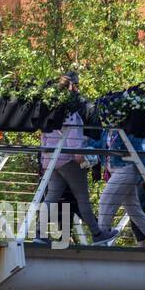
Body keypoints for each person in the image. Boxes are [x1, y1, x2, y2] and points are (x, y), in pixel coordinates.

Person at [39, 73, 114, 245]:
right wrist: (80, 156)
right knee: (82, 198)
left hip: (52, 160)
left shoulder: (49, 111)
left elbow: (43, 139)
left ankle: (39, 233)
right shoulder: (70, 113)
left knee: (51, 197)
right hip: (69, 161)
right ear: (69, 88)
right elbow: (74, 137)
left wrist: (44, 161)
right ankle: (97, 234)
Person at [97, 129, 145, 248]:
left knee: (105, 200)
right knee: (134, 209)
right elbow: (102, 146)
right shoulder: (107, 130)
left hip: (127, 169)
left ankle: (102, 240)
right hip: (116, 171)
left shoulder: (129, 129)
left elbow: (142, 151)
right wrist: (87, 144)